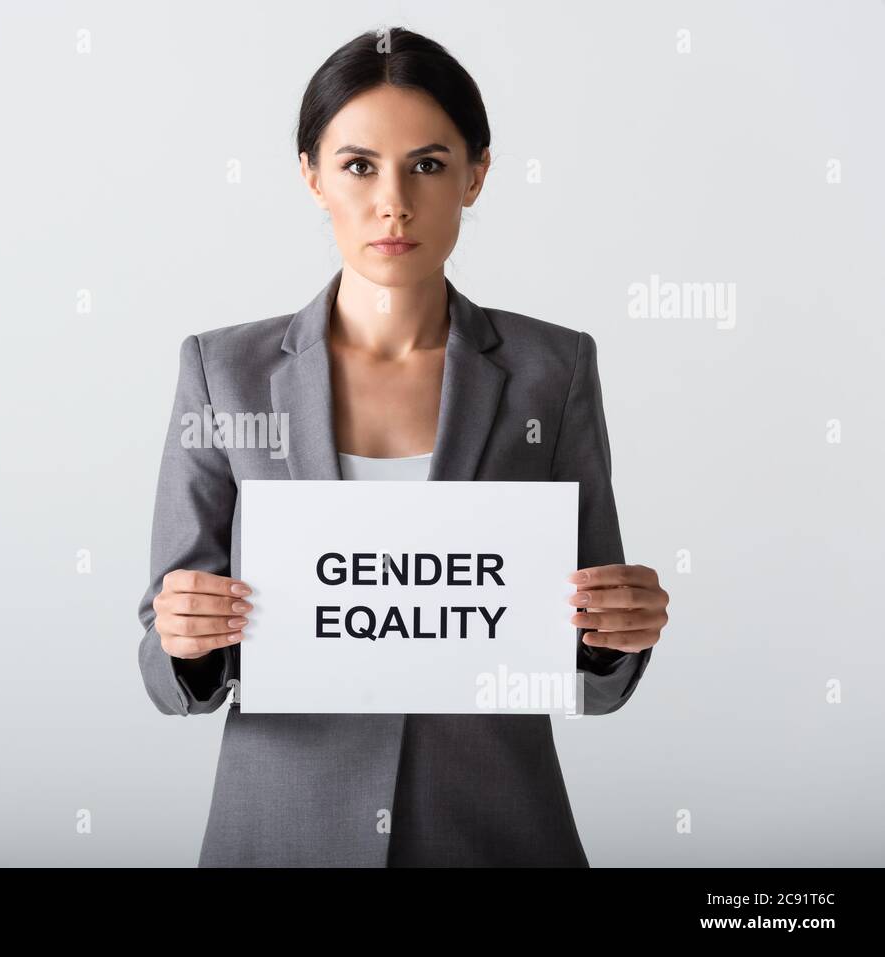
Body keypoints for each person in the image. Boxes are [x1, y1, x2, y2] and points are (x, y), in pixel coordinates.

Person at [136, 26, 669, 867]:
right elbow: (166, 662)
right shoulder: (222, 372)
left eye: (426, 164)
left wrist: (616, 631)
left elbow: (591, 669)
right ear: (311, 176)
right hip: (282, 829)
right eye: (358, 166)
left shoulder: (552, 369)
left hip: (494, 828)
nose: (394, 201)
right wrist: (183, 635)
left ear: (476, 174)